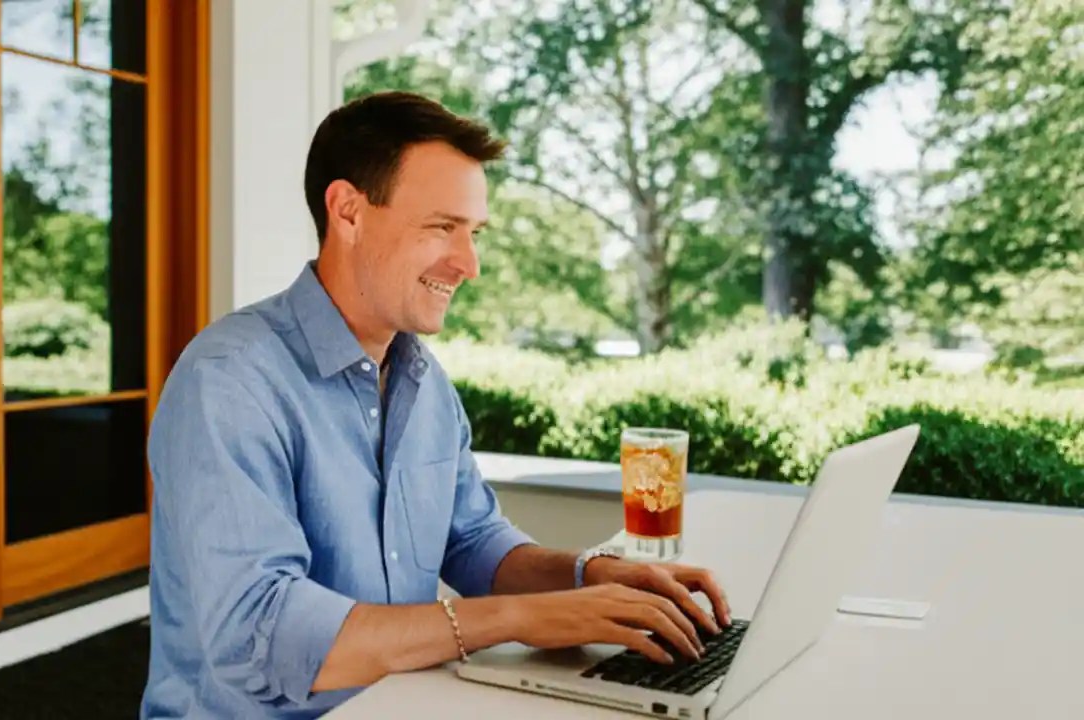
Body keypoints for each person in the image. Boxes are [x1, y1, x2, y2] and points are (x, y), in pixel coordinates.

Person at [141, 90, 731, 719]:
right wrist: (524, 618)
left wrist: (589, 577)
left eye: (473, 233)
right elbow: (259, 636)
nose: (469, 264)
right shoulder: (230, 381)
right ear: (347, 212)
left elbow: (473, 541)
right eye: (442, 228)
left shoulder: (424, 380)